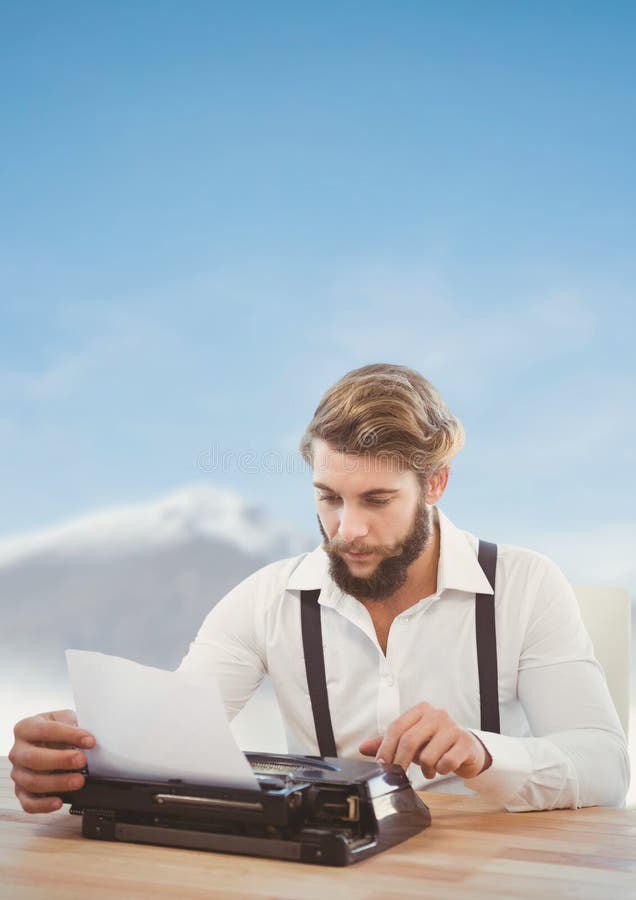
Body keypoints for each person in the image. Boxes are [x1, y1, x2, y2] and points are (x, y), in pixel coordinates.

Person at [9, 364, 629, 813]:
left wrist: (483, 754)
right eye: (329, 498)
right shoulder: (263, 600)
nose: (347, 530)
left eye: (377, 500)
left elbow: (605, 767)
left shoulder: (525, 584)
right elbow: (165, 743)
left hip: (495, 874)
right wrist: (73, 762)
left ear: (436, 485)